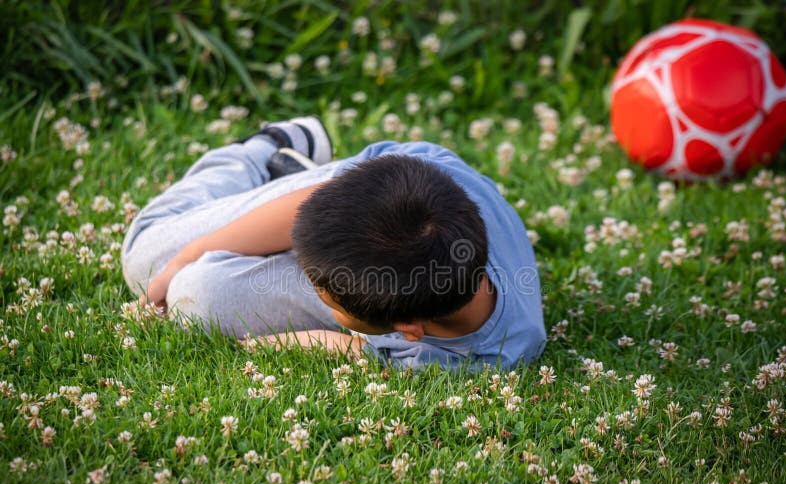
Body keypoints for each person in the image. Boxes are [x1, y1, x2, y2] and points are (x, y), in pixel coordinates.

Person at [121, 116, 546, 370]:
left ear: (407, 331)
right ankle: (268, 148)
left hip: (375, 275)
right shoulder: (420, 182)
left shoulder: (484, 359)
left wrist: (252, 347)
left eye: (327, 297)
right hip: (367, 199)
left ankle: (286, 169)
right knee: (145, 259)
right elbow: (304, 206)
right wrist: (184, 257)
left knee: (193, 299)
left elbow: (347, 346)